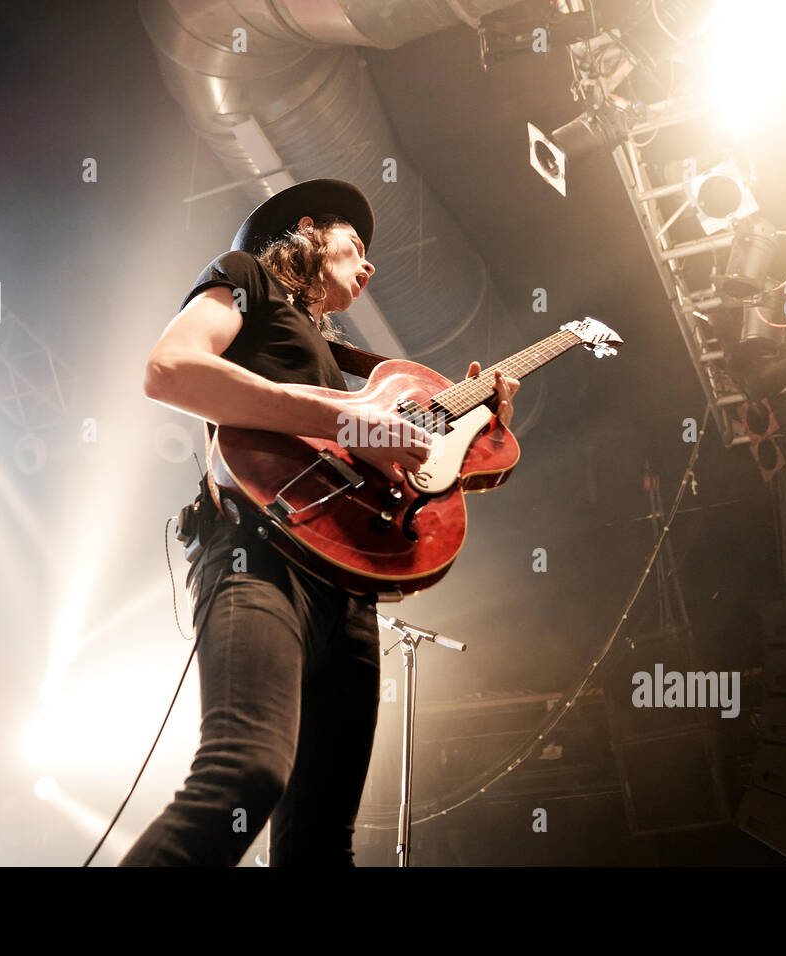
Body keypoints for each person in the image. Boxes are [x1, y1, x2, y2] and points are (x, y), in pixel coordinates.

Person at [120, 178, 519, 866]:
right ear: (307, 229)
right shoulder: (245, 277)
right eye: (356, 246)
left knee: (320, 844)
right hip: (258, 556)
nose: (369, 267)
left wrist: (478, 427)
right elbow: (170, 369)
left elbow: (413, 469)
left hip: (349, 592)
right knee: (243, 773)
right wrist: (344, 419)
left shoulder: (343, 368)